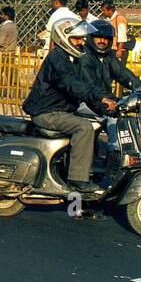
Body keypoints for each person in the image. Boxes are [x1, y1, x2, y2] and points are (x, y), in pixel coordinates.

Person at [21, 17, 116, 195]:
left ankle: (86, 165)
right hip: (46, 112)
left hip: (60, 109)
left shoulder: (73, 58)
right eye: (76, 38)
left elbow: (89, 84)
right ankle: (77, 179)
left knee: (96, 121)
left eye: (81, 38)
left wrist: (108, 101)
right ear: (63, 38)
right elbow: (73, 85)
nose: (81, 42)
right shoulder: (57, 59)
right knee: (84, 127)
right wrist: (100, 99)